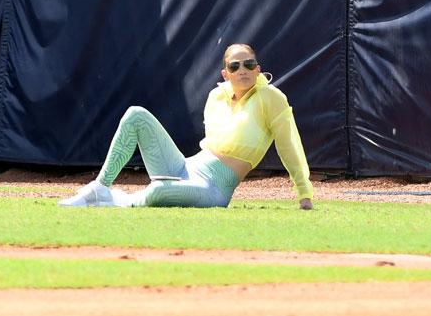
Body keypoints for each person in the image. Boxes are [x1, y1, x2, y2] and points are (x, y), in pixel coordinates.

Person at [59, 43, 314, 210]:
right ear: (225, 73)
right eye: (234, 66)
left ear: (258, 69)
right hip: (185, 166)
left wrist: (304, 193)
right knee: (136, 114)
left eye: (249, 64)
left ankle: (117, 200)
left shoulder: (271, 97)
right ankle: (100, 187)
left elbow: (289, 144)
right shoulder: (216, 96)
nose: (242, 70)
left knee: (158, 191)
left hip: (214, 188)